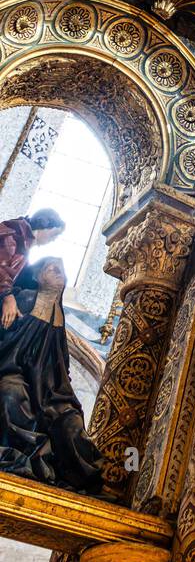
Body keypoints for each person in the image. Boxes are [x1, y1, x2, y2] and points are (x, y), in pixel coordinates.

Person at [0, 255, 102, 490]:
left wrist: (61, 391)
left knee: (70, 420)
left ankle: (85, 481)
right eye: (52, 268)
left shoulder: (59, 317)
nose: (60, 273)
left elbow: (59, 362)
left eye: (62, 270)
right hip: (14, 372)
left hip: (49, 387)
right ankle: (24, 459)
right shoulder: (23, 301)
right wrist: (8, 298)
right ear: (36, 276)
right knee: (11, 395)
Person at [0, 209, 66, 329]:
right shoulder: (13, 235)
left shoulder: (24, 246)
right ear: (44, 225)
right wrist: (8, 297)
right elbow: (1, 268)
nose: (54, 239)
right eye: (54, 234)